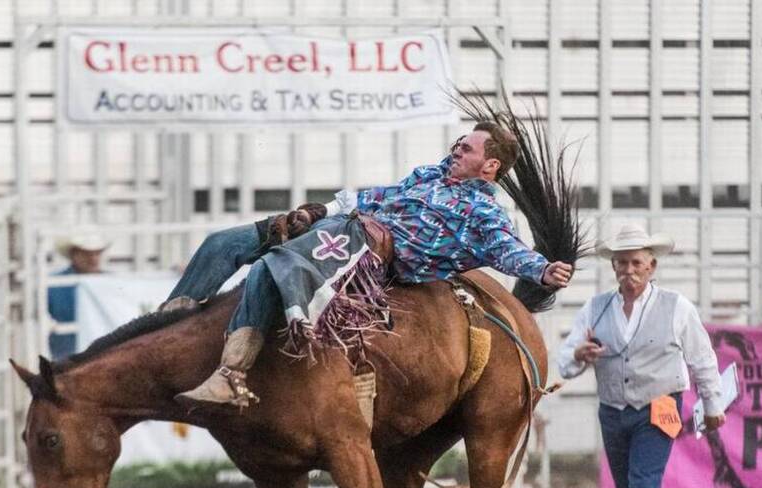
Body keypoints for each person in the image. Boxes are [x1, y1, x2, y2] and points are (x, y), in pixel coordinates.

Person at [173, 122, 574, 407]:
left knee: (273, 267)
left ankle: (232, 375)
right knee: (221, 243)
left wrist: (541, 270)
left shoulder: (482, 213)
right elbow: (376, 195)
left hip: (367, 249)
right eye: (458, 143)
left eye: (467, 148)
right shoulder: (428, 176)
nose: (456, 150)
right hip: (340, 226)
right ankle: (171, 324)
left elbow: (508, 248)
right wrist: (319, 210)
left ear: (490, 167)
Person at [557, 224, 725, 488]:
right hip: (613, 410)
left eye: (636, 263)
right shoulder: (595, 308)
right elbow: (565, 361)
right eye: (621, 264)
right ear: (614, 268)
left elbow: (702, 359)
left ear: (651, 267)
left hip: (661, 406)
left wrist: (713, 405)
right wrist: (579, 357)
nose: (628, 271)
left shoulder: (677, 306)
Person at [47, 234, 111, 359]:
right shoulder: (53, 284)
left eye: (97, 253)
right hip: (68, 354)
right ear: (73, 255)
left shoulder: (111, 281)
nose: (93, 259)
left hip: (103, 354)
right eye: (86, 253)